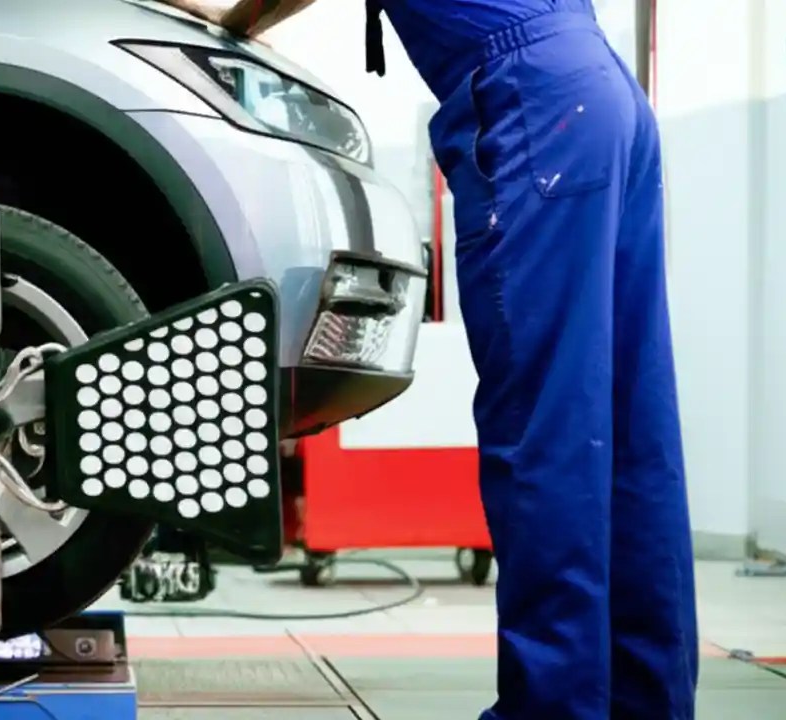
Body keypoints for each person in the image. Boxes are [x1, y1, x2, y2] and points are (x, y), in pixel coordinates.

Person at [157, 1, 699, 718]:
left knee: (545, 438)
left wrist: (232, 16)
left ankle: (552, 709)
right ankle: (648, 703)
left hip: (534, 98)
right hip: (601, 93)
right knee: (633, 438)